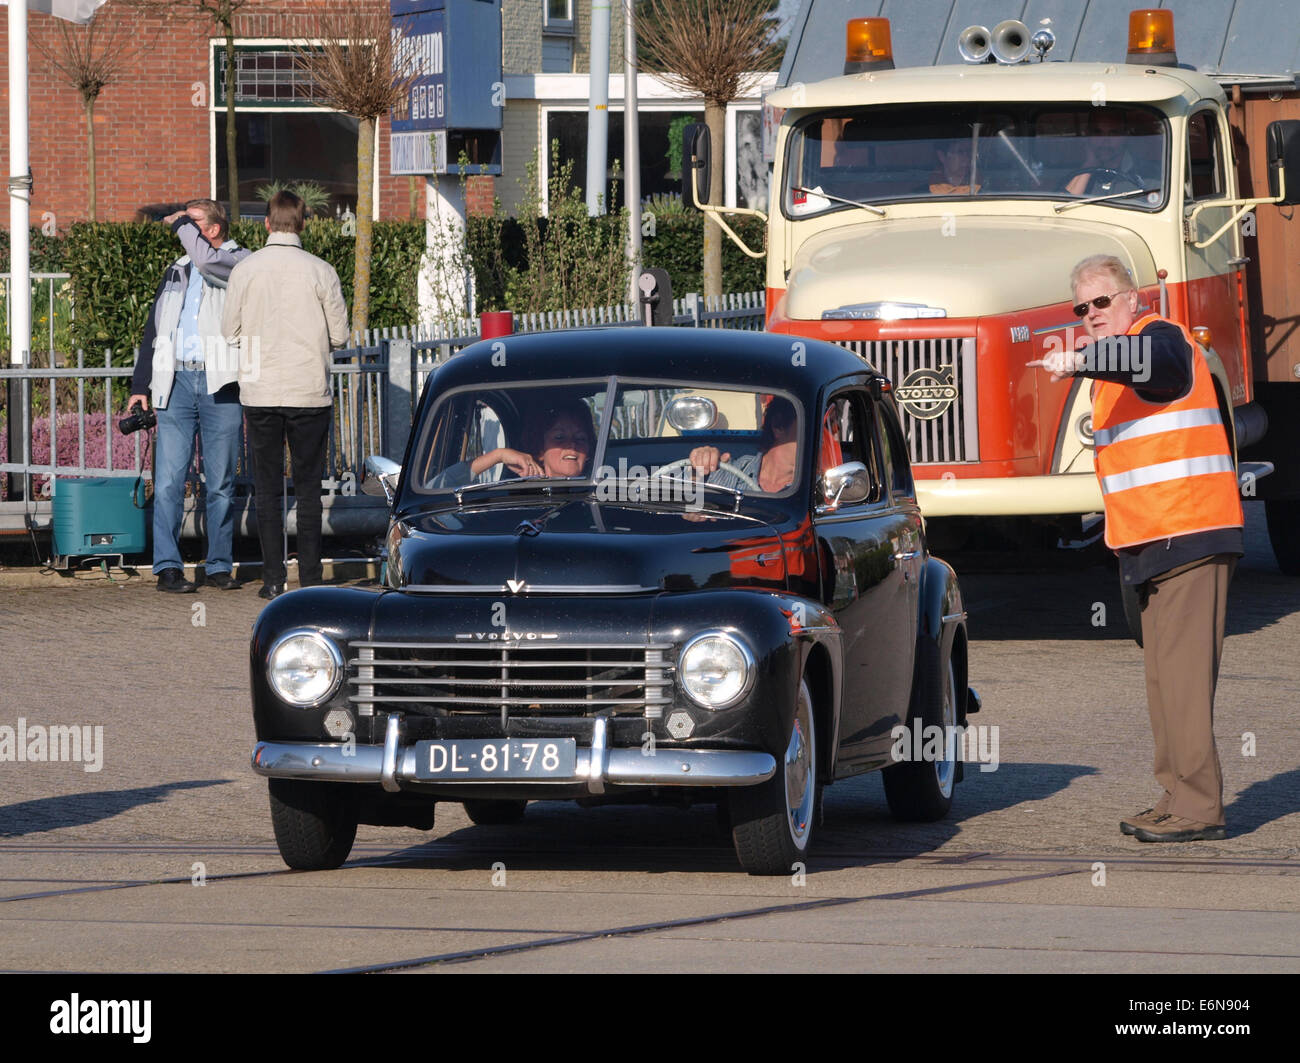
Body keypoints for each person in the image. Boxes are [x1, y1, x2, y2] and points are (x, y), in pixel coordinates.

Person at [1029, 254, 1243, 843]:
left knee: (1183, 680)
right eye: (1082, 308)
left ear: (1132, 300)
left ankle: (1199, 806)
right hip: (1153, 543)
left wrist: (1075, 360)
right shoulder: (1112, 378)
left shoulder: (1159, 339)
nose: (1092, 314)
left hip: (1190, 534)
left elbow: (1151, 361)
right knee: (1163, 682)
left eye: (1102, 302)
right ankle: (1175, 794)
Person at [221, 190, 349, 600]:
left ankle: (273, 579)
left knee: (267, 488)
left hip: (260, 391)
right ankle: (310, 579)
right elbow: (340, 336)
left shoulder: (245, 270)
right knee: (309, 489)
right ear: (304, 223)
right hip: (309, 389)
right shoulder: (321, 270)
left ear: (266, 224)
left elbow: (230, 332)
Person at [128, 199, 251, 593]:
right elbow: (154, 331)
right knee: (167, 482)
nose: (185, 229)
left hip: (221, 383)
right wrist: (139, 388)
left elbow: (210, 265)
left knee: (219, 484)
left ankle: (218, 566)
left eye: (193, 223)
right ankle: (167, 567)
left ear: (213, 230)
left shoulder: (241, 264)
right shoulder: (176, 270)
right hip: (176, 381)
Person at [435, 398, 595, 487]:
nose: (572, 445)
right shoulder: (514, 498)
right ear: (539, 447)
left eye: (581, 438)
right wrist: (499, 455)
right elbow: (437, 488)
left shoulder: (602, 491)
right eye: (559, 438)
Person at [689, 396, 799, 493]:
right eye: (808, 428)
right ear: (778, 425)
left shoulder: (812, 492)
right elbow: (684, 501)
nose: (815, 441)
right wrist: (698, 470)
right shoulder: (725, 471)